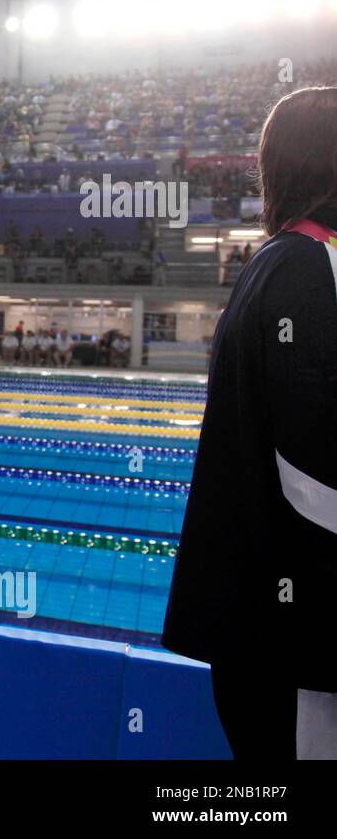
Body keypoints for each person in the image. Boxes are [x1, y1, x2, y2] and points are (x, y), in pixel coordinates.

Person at [163, 86, 337, 759]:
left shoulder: (278, 264)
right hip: (302, 642)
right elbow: (310, 475)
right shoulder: (305, 270)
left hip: (267, 629)